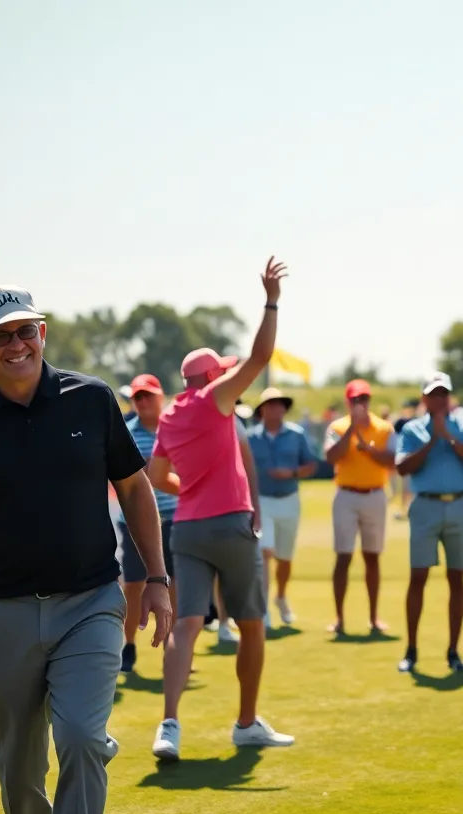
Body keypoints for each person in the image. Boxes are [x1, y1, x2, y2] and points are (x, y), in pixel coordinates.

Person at [0, 285, 172, 814]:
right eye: (0, 336)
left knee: (82, 738)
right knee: (18, 768)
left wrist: (156, 576)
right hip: (2, 612)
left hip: (91, 603)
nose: (16, 344)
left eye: (25, 330)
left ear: (43, 333)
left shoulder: (92, 397)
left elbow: (134, 488)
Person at [147, 256, 294, 761]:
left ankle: (169, 726)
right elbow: (260, 355)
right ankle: (247, 724)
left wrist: (186, 487)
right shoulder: (217, 398)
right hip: (229, 524)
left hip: (187, 526)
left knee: (187, 624)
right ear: (212, 378)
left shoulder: (170, 415)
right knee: (252, 624)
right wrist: (271, 301)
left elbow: (155, 475)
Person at [395, 372, 463, 674]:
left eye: (443, 394)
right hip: (425, 506)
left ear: (449, 398)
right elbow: (403, 466)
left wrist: (448, 437)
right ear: (424, 399)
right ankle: (411, 650)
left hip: (459, 503)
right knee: (418, 576)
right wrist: (433, 439)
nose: (438, 400)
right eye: (433, 395)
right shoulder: (412, 429)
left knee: (456, 578)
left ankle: (453, 651)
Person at [116, 373, 179, 674]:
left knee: (174, 587)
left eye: (146, 396)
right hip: (135, 522)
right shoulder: (126, 433)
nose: (141, 402)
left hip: (174, 519)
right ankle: (128, 646)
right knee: (133, 587)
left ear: (160, 396)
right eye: (136, 397)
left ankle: (174, 648)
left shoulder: (177, 431)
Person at [323, 379, 395, 636]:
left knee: (372, 557)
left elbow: (393, 461)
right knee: (343, 557)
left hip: (375, 495)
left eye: (363, 400)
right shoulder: (337, 427)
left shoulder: (384, 428)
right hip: (346, 496)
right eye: (355, 400)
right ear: (348, 402)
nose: (360, 405)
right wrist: (353, 429)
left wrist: (368, 450)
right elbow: (331, 456)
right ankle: (340, 619)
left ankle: (374, 618)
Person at [248, 386, 318, 627]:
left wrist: (292, 472)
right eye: (270, 404)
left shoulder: (296, 434)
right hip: (262, 500)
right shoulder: (250, 437)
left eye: (279, 404)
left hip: (289, 499)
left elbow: (311, 465)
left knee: (285, 558)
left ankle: (281, 597)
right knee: (265, 552)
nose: (276, 408)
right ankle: (264, 609)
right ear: (262, 410)